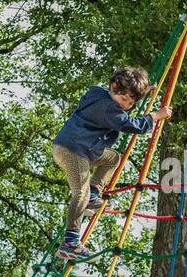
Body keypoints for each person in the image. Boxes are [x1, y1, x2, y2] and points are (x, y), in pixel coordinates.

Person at [52, 67, 171, 260]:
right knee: (79, 193)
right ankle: (70, 242)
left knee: (112, 158)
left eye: (131, 102)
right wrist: (155, 116)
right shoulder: (109, 108)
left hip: (83, 148)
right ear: (113, 87)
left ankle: (93, 194)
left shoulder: (98, 94)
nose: (126, 106)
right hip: (73, 150)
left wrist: (142, 91)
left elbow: (123, 107)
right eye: (124, 100)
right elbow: (130, 125)